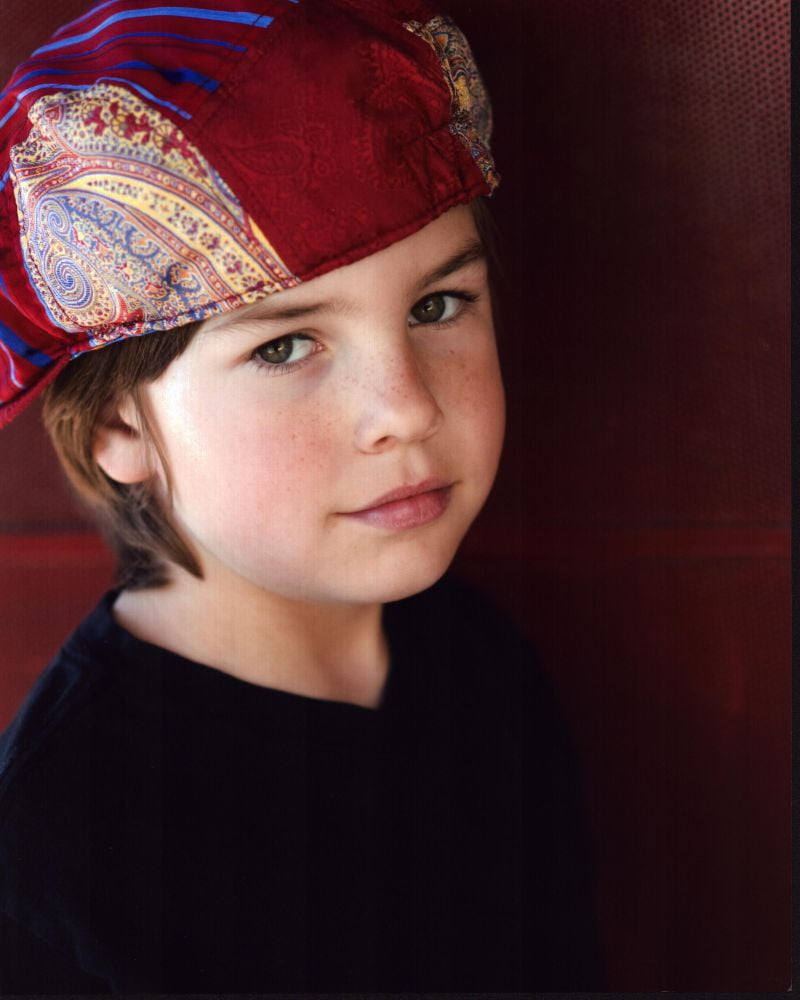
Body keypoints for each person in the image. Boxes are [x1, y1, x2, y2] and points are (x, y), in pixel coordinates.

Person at [0, 0, 605, 991]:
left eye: (436, 305)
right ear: (116, 426)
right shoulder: (53, 860)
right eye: (284, 345)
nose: (403, 409)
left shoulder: (480, 670)